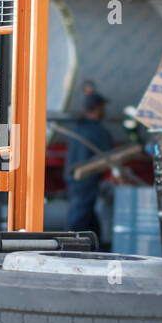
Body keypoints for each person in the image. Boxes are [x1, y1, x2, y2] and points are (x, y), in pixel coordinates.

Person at [62, 91, 113, 247]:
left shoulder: (77, 128)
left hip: (72, 179)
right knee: (77, 221)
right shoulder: (99, 132)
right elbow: (110, 159)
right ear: (98, 108)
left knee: (89, 221)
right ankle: (67, 248)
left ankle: (97, 247)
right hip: (87, 182)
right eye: (103, 107)